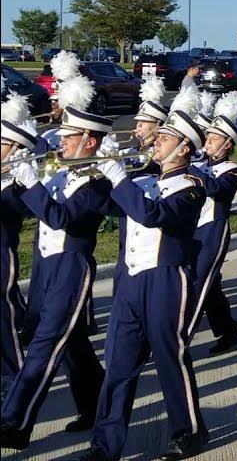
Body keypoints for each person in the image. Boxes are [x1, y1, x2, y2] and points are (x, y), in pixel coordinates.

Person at [74, 109, 210, 460]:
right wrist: (83, 169)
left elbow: (154, 215)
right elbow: (107, 205)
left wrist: (119, 177)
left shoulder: (192, 186)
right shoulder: (142, 179)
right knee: (118, 366)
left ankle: (188, 432)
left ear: (183, 148)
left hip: (165, 280)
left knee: (170, 360)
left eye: (164, 139)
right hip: (130, 282)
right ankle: (105, 445)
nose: (155, 142)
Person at [0, 101, 109, 451]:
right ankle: (97, 408)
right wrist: (17, 182)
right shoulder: (61, 172)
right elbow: (28, 205)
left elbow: (60, 218)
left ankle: (14, 422)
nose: (61, 142)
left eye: (69, 136)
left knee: (44, 347)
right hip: (47, 266)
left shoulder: (97, 184)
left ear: (90, 141)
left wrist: (31, 183)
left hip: (70, 268)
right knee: (73, 345)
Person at [187, 93, 237, 355]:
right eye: (207, 137)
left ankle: (179, 338)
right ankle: (229, 330)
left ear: (227, 144)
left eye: (213, 139)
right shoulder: (200, 164)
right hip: (192, 227)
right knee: (210, 286)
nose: (207, 142)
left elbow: (216, 189)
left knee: (199, 284)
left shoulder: (233, 168)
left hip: (213, 229)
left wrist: (188, 163)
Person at [1, 97, 39, 401]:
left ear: (15, 149)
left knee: (4, 321)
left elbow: (16, 209)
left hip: (2, 254)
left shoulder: (17, 185)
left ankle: (16, 381)